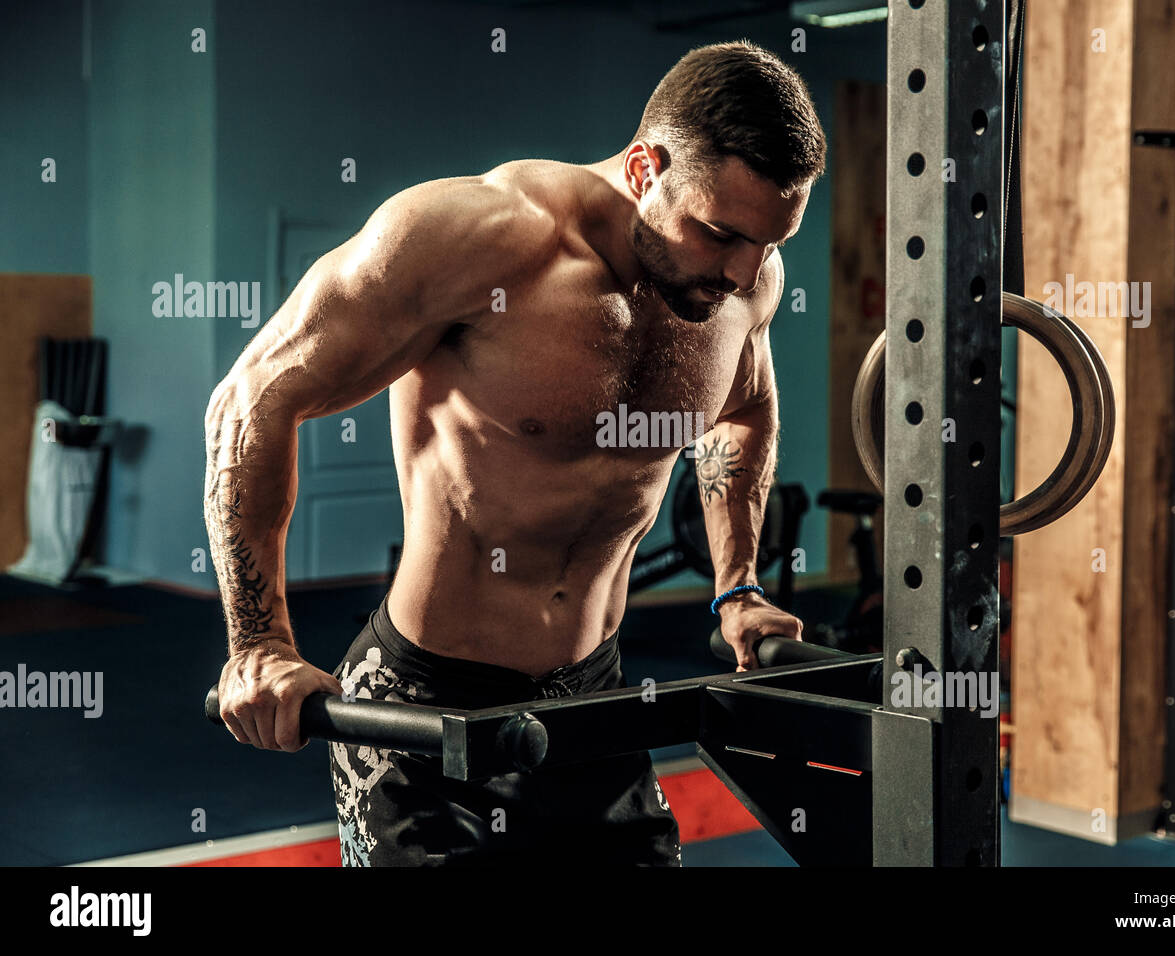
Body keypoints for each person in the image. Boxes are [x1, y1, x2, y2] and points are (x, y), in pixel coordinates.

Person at [205, 39, 825, 866]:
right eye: (720, 234)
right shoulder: (479, 238)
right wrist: (258, 645)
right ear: (645, 167)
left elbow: (743, 411)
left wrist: (737, 587)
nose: (745, 271)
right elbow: (253, 399)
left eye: (768, 242)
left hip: (594, 704)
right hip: (424, 711)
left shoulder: (749, 283)